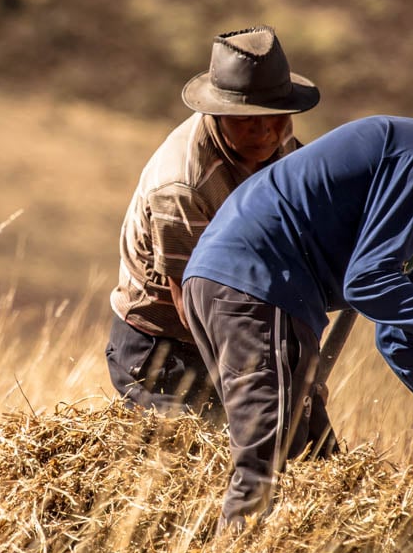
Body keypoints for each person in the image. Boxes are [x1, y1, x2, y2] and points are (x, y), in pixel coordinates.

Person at [181, 89, 413, 529]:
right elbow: (366, 282)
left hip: (232, 285)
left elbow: (400, 335)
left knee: (312, 462)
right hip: (259, 285)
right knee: (266, 465)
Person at [106, 26, 323, 427]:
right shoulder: (182, 185)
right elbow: (193, 306)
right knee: (200, 465)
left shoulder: (285, 146)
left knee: (312, 453)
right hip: (166, 349)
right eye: (247, 121)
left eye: (274, 116)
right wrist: (256, 377)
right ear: (217, 112)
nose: (264, 132)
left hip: (246, 329)